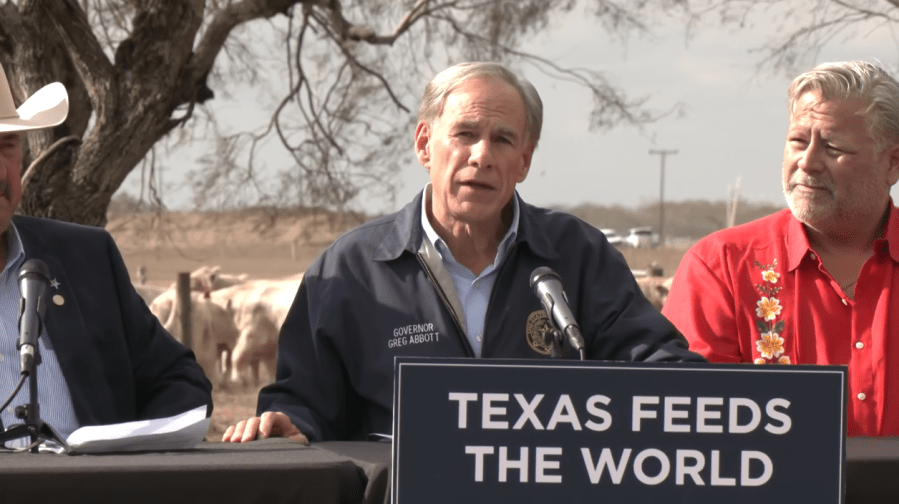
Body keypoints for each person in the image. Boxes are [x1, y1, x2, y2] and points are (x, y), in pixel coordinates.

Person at [223, 61, 704, 444]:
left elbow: (656, 366)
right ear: (425, 144)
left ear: (525, 160)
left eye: (503, 139)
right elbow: (304, 401)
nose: (481, 155)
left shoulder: (577, 255)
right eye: (465, 134)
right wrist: (289, 423)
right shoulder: (352, 269)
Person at [662, 60, 899, 437]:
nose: (807, 162)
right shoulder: (720, 267)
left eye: (833, 147)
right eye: (798, 141)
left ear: (892, 163)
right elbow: (689, 423)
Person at [0, 62, 212, 447]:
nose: (0, 170)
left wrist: (128, 461)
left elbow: (178, 380)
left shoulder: (84, 257)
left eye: (7, 146)